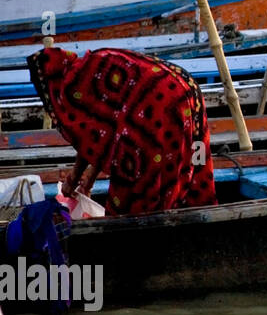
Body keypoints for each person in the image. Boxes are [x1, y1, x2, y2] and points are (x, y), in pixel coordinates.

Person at [27, 47, 217, 217]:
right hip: (185, 87)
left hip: (159, 101)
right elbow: (98, 140)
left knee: (142, 173)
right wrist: (84, 182)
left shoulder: (75, 87)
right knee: (192, 156)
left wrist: (74, 180)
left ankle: (145, 223)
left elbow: (90, 140)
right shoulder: (93, 60)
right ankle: (190, 210)